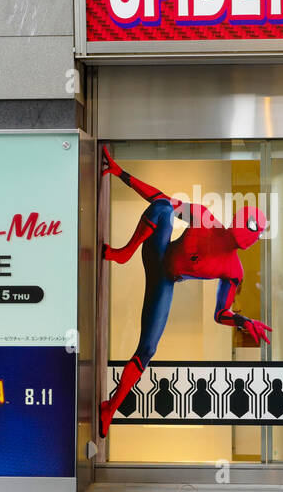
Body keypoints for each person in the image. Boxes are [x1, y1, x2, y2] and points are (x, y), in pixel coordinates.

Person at [98, 146, 270, 437]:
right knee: (164, 207)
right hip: (157, 249)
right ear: (238, 219)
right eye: (251, 226)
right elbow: (158, 199)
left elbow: (221, 314)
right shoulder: (204, 218)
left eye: (258, 232)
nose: (252, 234)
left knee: (148, 349)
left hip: (164, 281)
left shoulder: (234, 272)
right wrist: (121, 173)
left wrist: (243, 321)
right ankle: (124, 253)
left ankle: (110, 409)